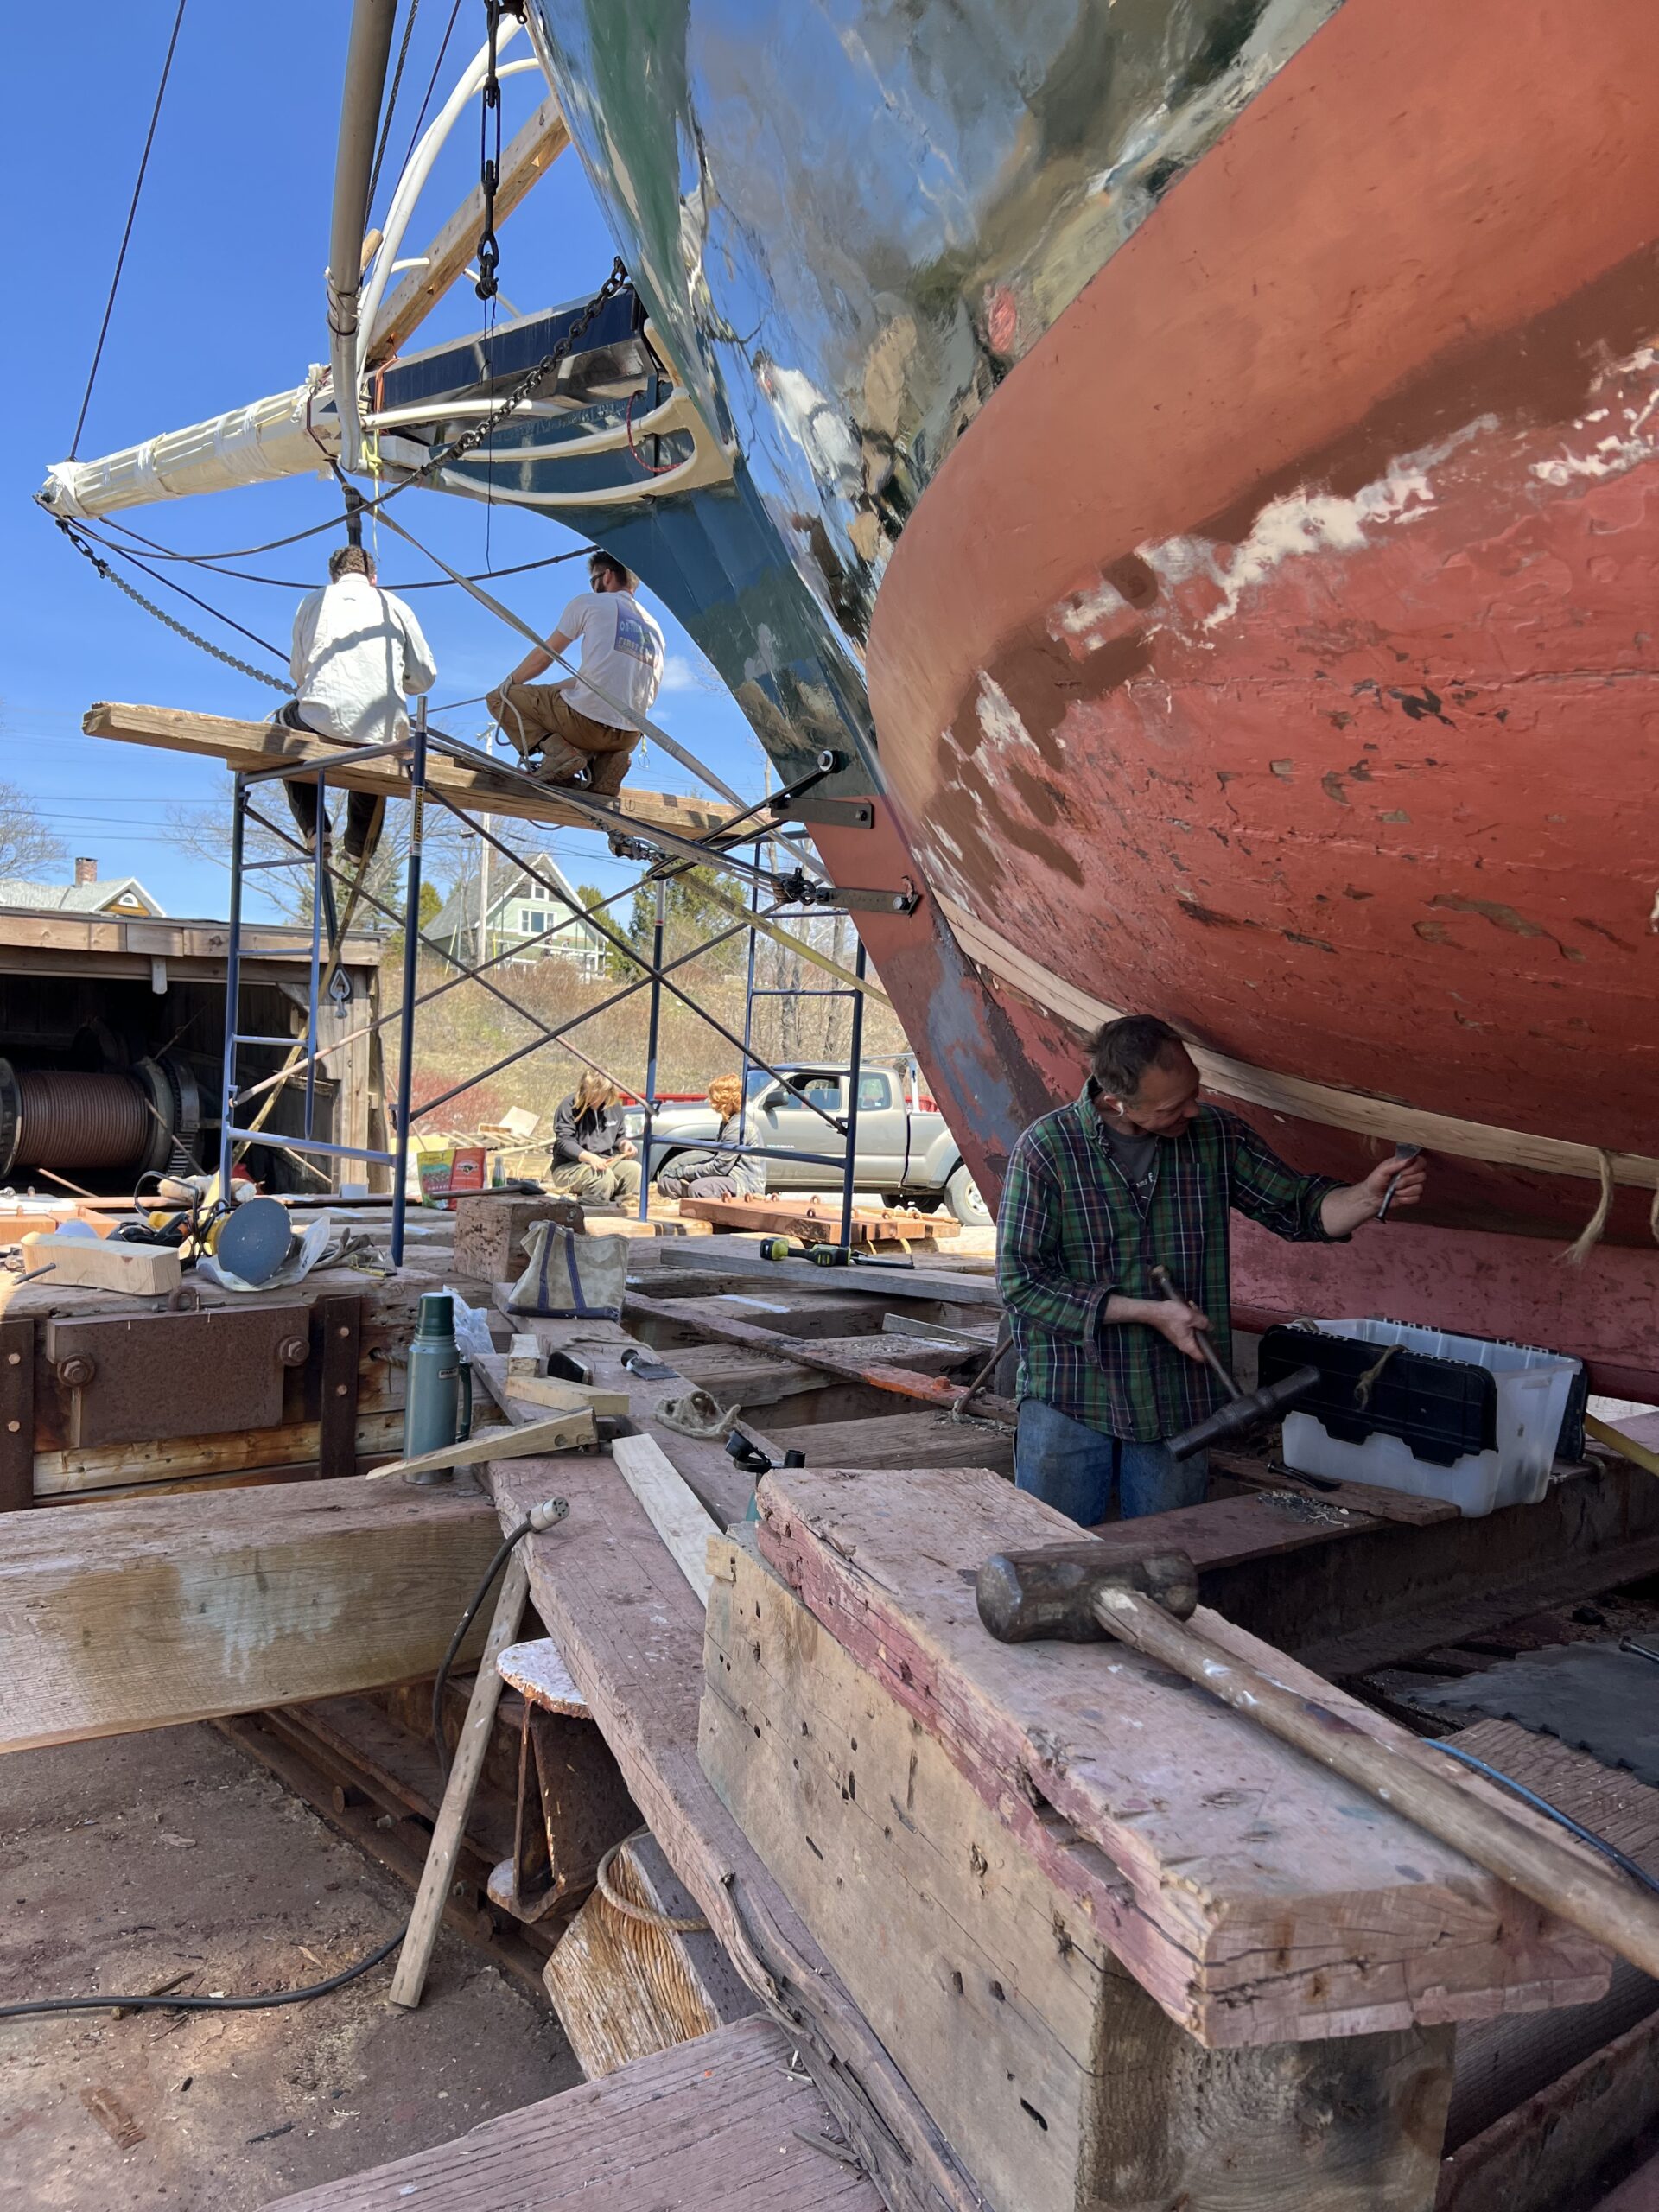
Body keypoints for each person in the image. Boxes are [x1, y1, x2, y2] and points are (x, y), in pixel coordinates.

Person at [997, 1014, 1427, 1529]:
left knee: (1172, 1566)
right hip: (1071, 1394)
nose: (1194, 1110)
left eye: (1195, 1092)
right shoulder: (1047, 1149)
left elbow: (1298, 1208)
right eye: (1172, 1107)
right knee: (1051, 1557)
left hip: (1177, 1398)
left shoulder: (1216, 1136)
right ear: (1116, 1103)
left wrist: (1366, 1195)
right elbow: (1021, 1283)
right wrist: (1148, 1313)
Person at [280, 545, 437, 866]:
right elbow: (424, 676)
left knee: (283, 728)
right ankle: (358, 846)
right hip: (382, 728)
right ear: (373, 578)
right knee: (382, 742)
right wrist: (395, 681)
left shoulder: (313, 602)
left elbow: (297, 672)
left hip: (320, 718)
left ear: (333, 577)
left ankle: (315, 829)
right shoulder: (395, 605)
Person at [487, 550, 664, 797]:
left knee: (499, 698)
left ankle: (559, 755)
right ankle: (605, 764)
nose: (594, 587)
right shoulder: (654, 629)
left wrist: (509, 685)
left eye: (594, 580)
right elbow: (610, 680)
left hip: (586, 725)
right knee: (577, 708)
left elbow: (544, 656)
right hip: (628, 736)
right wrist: (554, 690)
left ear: (607, 576)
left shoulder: (590, 603)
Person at [656, 1075, 765, 1200]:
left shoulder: (739, 1126)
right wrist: (682, 1172)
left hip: (743, 1182)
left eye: (713, 1098)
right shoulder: (727, 1122)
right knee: (666, 1183)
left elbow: (720, 1168)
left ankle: (703, 1202)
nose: (710, 1101)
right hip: (724, 1178)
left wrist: (683, 1172)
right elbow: (716, 1162)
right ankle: (695, 1196)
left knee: (699, 1188)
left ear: (725, 1099)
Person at [547, 1071, 641, 1203]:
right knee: (602, 1177)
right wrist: (590, 1158)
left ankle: (626, 1207)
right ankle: (593, 1211)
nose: (594, 1099)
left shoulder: (614, 1108)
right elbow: (564, 1142)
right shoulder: (569, 1105)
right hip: (569, 1167)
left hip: (605, 1162)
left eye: (599, 1095)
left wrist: (624, 1144)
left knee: (634, 1170)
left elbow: (618, 1136)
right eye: (590, 1093)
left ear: (608, 1091)